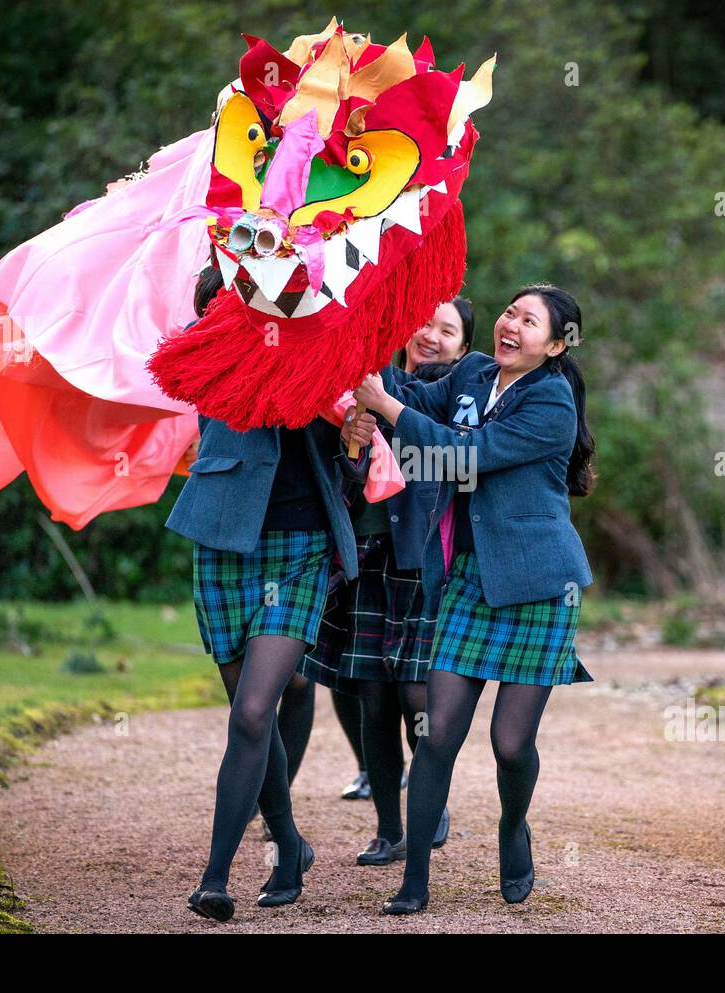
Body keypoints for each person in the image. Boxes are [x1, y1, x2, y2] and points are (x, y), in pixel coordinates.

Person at [350, 283, 596, 914]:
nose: (511, 326)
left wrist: (390, 410)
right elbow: (406, 391)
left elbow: (466, 456)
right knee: (437, 734)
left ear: (555, 345)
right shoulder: (471, 373)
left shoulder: (552, 403)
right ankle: (415, 880)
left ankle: (513, 829)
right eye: (510, 313)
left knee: (510, 744)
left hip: (539, 584)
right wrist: (361, 323)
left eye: (529, 321)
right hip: (465, 578)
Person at [170, 270, 362, 924]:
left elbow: (345, 436)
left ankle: (215, 877)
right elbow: (254, 400)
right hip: (221, 541)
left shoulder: (315, 348)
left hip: (301, 544)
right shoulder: (201, 356)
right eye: (215, 306)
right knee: (247, 711)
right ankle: (288, 845)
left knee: (255, 711)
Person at [300, 299, 473, 865]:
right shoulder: (370, 381)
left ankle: (431, 802)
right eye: (424, 322)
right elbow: (346, 474)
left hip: (426, 564)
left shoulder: (459, 403)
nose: (432, 335)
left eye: (448, 331)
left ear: (464, 349)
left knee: (417, 694)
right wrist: (353, 439)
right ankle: (387, 827)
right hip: (369, 561)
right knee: (373, 697)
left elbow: (456, 467)